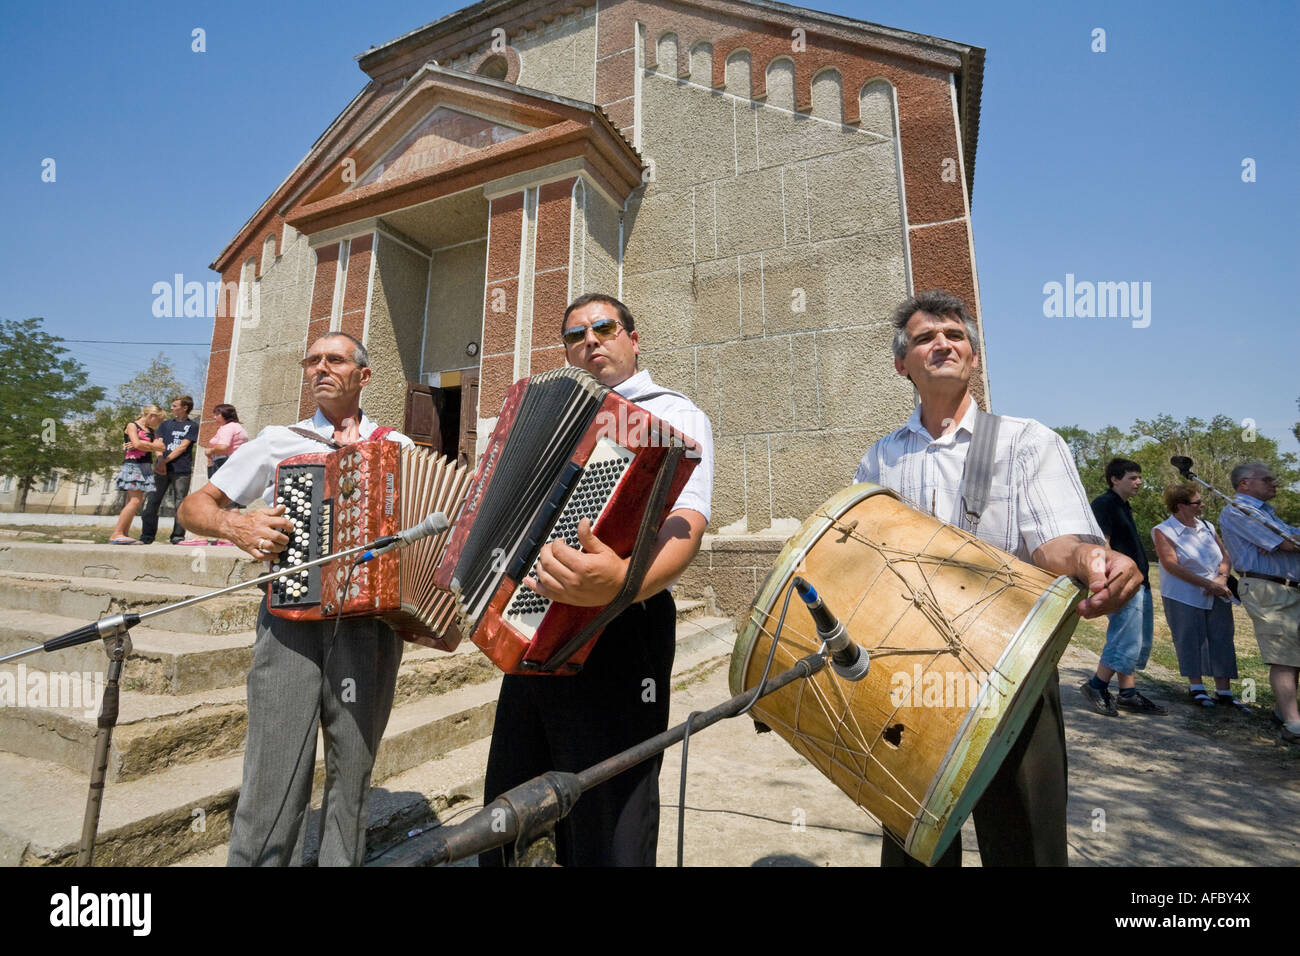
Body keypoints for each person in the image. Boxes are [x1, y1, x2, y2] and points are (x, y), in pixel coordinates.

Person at [853, 289, 1141, 867]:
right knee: (914, 846)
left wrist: (1090, 561)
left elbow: (1056, 538)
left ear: (975, 358)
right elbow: (865, 560)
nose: (942, 344)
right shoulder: (879, 459)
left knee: (1025, 845)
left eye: (955, 336)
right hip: (909, 676)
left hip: (1012, 670)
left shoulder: (1025, 441)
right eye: (925, 338)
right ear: (900, 363)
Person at [478, 293, 714, 867]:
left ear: (634, 340)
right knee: (516, 795)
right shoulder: (552, 414)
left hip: (620, 625)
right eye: (576, 335)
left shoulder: (671, 414)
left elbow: (688, 522)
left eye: (605, 328)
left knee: (611, 804)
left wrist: (623, 583)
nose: (591, 340)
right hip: (535, 623)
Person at [177, 332, 413, 865]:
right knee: (273, 769)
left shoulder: (398, 448)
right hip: (290, 619)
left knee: (353, 773)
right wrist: (232, 523)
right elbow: (194, 507)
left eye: (334, 359)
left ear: (363, 376)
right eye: (312, 360)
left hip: (369, 628)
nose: (320, 368)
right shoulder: (278, 440)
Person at [1218, 461, 1300, 745]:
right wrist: (1293, 538)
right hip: (1268, 588)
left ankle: (1283, 711)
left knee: (1293, 654)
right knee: (1283, 657)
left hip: (1289, 589)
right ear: (1245, 484)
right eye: (1267, 479)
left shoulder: (1267, 514)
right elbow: (1289, 543)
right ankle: (1293, 725)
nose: (1274, 484)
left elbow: (1291, 534)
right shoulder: (1239, 511)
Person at [1080, 459, 1167, 715]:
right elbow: (1101, 547)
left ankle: (1127, 693)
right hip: (1123, 583)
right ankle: (1096, 685)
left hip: (1139, 582)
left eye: (1139, 477)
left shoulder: (1123, 506)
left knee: (1136, 641)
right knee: (1125, 638)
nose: (1139, 482)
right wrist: (1110, 583)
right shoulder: (1105, 504)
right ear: (1115, 479)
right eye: (1132, 477)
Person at [1151, 484, 1246, 710]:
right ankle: (1197, 688)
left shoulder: (1207, 526)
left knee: (1222, 638)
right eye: (1197, 502)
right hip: (1183, 595)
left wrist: (1222, 578)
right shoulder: (1163, 530)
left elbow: (1225, 556)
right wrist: (1207, 584)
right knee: (1190, 638)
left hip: (1218, 592)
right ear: (1181, 506)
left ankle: (1224, 691)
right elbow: (1171, 565)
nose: (1202, 505)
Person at [139, 396, 200, 545]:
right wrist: (160, 460)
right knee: (153, 500)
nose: (171, 408)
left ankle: (177, 536)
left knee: (180, 503)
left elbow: (182, 447)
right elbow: (157, 443)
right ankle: (147, 535)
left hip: (181, 470)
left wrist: (166, 460)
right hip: (161, 469)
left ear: (184, 408)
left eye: (174, 406)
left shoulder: (192, 426)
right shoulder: (165, 425)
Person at [109, 405, 165, 544]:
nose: (158, 423)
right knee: (136, 500)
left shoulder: (151, 431)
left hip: (145, 466)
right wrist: (151, 446)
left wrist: (148, 447)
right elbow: (136, 443)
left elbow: (161, 448)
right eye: (158, 420)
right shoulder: (132, 425)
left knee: (131, 501)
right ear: (151, 416)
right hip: (133, 465)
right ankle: (116, 533)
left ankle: (123, 533)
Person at [205, 403, 249, 478]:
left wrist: (210, 451)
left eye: (217, 414)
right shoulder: (237, 427)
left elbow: (223, 447)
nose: (214, 417)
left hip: (223, 463)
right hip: (234, 463)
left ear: (226, 414)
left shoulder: (228, 428)